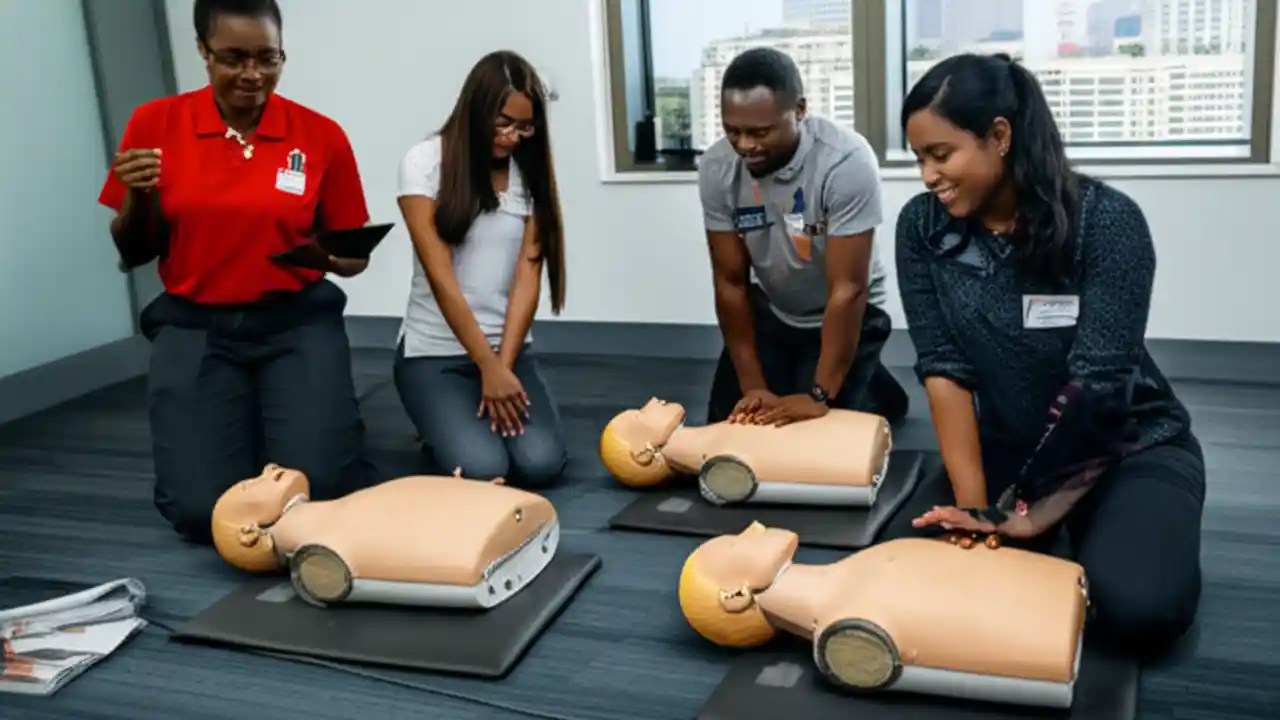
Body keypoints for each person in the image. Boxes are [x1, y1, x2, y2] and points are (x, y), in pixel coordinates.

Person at [882, 52, 1205, 658]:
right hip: (1009, 449)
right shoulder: (922, 228)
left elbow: (1100, 386)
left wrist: (1032, 517)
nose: (927, 176)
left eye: (941, 154)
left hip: (1128, 447)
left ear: (999, 136)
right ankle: (1059, 533)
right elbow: (944, 368)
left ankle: (1112, 526)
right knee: (908, 570)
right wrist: (977, 510)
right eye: (919, 157)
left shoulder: (1107, 222)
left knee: (1138, 609)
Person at [99, 0, 375, 541]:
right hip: (195, 325)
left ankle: (304, 420)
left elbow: (355, 257)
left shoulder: (320, 134)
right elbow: (133, 251)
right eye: (233, 58)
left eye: (267, 58)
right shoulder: (154, 123)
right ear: (203, 52)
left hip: (296, 322)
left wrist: (322, 255)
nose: (252, 74)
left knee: (323, 490)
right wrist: (139, 196)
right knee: (199, 511)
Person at [697, 47, 909, 429]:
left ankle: (872, 386)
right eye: (732, 130)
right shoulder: (717, 167)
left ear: (799, 110)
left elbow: (848, 289)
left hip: (848, 310)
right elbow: (730, 282)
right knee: (733, 426)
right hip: (777, 311)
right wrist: (753, 387)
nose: (744, 145)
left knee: (814, 433)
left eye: (759, 132)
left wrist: (820, 395)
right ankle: (852, 376)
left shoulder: (845, 162)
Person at [393, 50, 569, 489]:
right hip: (435, 355)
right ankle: (439, 425)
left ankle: (464, 419)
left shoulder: (527, 173)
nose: (512, 138)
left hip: (507, 353)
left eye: (524, 127)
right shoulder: (425, 162)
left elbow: (527, 277)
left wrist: (502, 368)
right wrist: (484, 364)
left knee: (541, 464)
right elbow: (442, 278)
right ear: (476, 108)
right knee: (482, 468)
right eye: (503, 123)